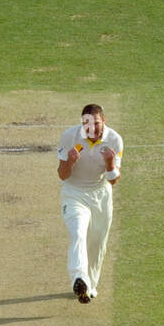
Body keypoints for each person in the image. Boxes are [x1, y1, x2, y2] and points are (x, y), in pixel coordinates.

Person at [57, 103, 123, 304]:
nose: (92, 130)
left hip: (100, 195)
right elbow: (62, 175)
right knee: (78, 232)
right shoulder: (70, 137)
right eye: (88, 125)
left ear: (104, 121)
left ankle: (89, 286)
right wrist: (70, 162)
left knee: (97, 243)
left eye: (97, 124)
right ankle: (79, 277)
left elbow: (113, 180)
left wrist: (111, 164)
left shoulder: (115, 140)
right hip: (74, 193)